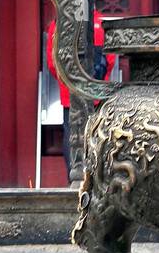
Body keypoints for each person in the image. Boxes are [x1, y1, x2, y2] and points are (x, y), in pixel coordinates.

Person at [46, 14, 115, 183]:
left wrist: (67, 82)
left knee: (73, 136)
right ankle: (100, 180)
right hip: (97, 93)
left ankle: (75, 178)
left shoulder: (58, 24)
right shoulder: (100, 23)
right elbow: (110, 60)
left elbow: (52, 62)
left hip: (70, 94)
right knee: (99, 136)